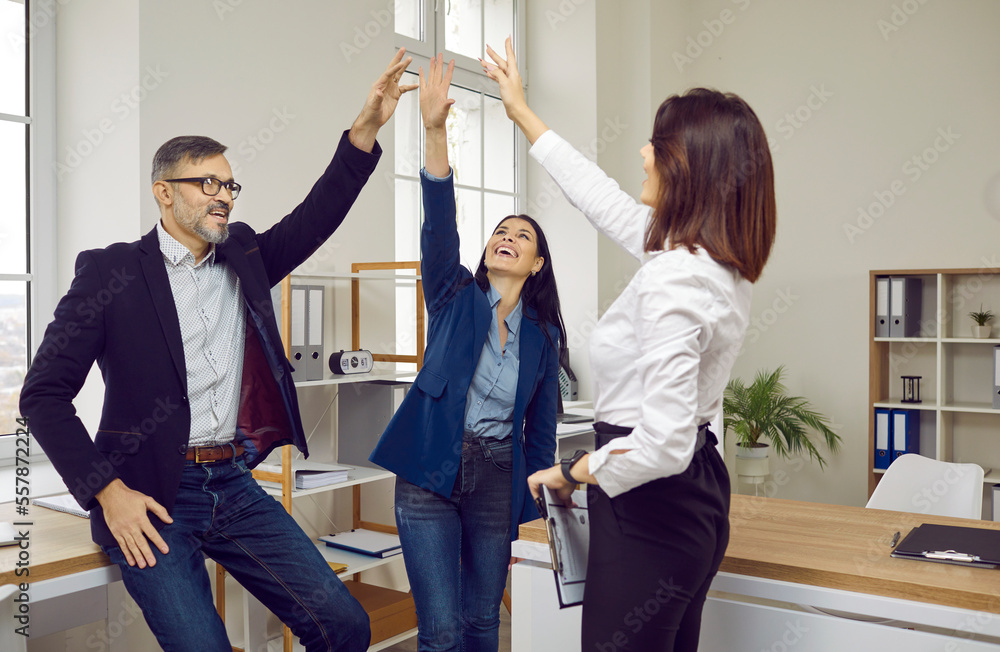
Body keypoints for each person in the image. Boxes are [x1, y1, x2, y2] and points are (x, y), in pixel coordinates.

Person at [19, 50, 418, 652]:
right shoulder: (111, 273)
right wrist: (109, 493)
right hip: (150, 494)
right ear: (164, 192)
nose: (223, 195)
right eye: (207, 183)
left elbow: (316, 217)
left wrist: (364, 131)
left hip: (232, 483)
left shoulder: (245, 256)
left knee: (344, 626)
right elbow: (43, 396)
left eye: (229, 184)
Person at [482, 38, 776, 651]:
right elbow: (602, 199)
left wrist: (574, 470)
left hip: (651, 504)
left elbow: (662, 444)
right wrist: (522, 113)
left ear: (690, 167)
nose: (644, 153)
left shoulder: (678, 278)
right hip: (691, 493)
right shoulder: (710, 262)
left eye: (656, 145)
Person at [368, 54, 563, 652]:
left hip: (500, 478)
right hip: (431, 469)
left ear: (537, 264)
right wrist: (433, 131)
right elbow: (439, 225)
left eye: (521, 236)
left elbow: (540, 433)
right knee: (443, 629)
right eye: (500, 231)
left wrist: (534, 513)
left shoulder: (543, 337)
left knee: (483, 621)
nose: (507, 238)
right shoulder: (454, 296)